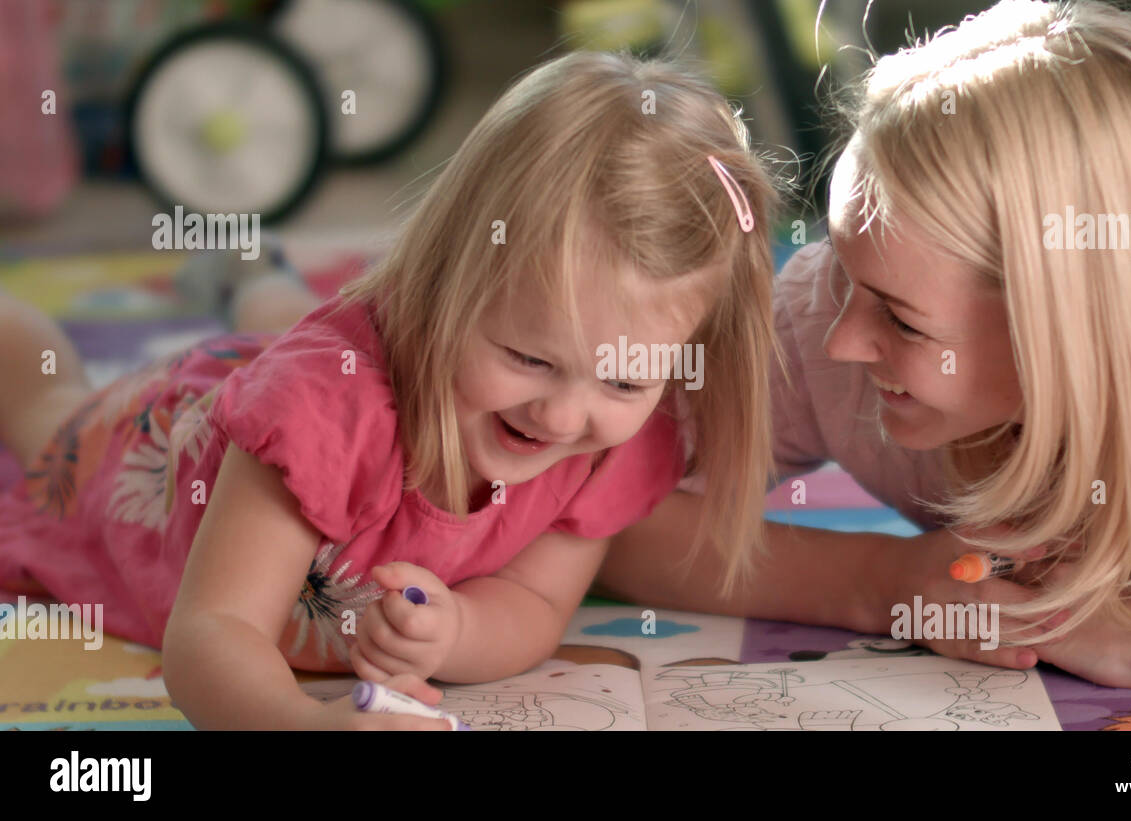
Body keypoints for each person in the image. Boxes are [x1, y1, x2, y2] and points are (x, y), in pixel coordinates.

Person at [0, 51, 780, 730]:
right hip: (156, 463)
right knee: (45, 405)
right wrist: (299, 725)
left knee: (291, 333)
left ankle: (249, 269)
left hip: (317, 366)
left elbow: (537, 605)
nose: (564, 414)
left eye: (622, 377)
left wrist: (459, 631)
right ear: (442, 282)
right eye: (528, 357)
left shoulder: (617, 436)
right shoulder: (321, 412)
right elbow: (212, 630)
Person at [599, 0, 1131, 720]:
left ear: (1063, 329)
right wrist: (886, 581)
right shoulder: (833, 311)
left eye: (903, 321)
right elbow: (598, 513)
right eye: (844, 270)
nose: (842, 341)